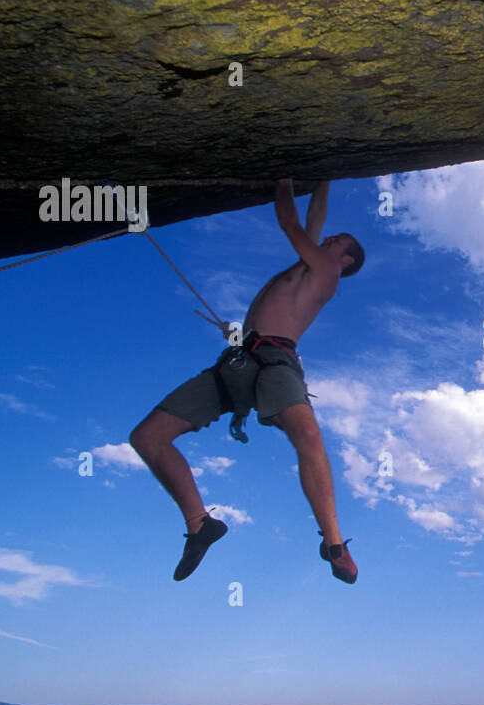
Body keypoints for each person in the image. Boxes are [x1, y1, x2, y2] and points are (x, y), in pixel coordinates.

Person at [129, 179, 364, 584]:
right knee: (147, 437)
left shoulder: (327, 271)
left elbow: (292, 225)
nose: (327, 238)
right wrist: (324, 178)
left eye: (337, 240)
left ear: (346, 259)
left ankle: (334, 543)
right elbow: (313, 220)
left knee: (308, 435)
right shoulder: (306, 268)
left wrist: (284, 179)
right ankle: (201, 524)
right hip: (238, 360)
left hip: (276, 361)